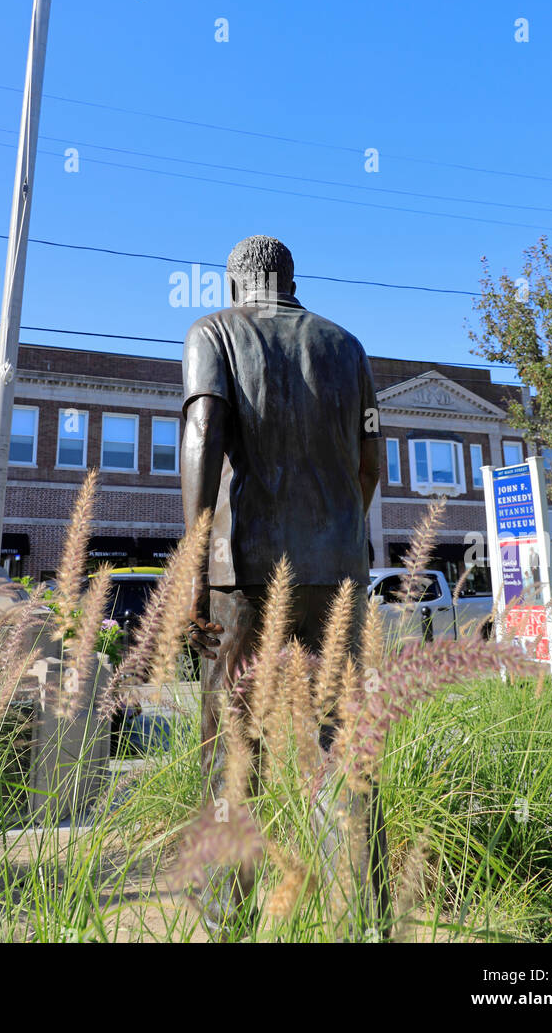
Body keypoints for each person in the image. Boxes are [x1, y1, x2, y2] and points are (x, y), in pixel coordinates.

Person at [180, 234, 383, 923]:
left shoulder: (215, 332)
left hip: (246, 573)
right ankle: (361, 922)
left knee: (235, 749)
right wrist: (342, 532)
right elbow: (369, 463)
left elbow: (204, 436)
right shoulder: (348, 347)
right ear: (290, 281)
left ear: (236, 283)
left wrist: (193, 559)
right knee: (343, 745)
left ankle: (226, 921)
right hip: (338, 569)